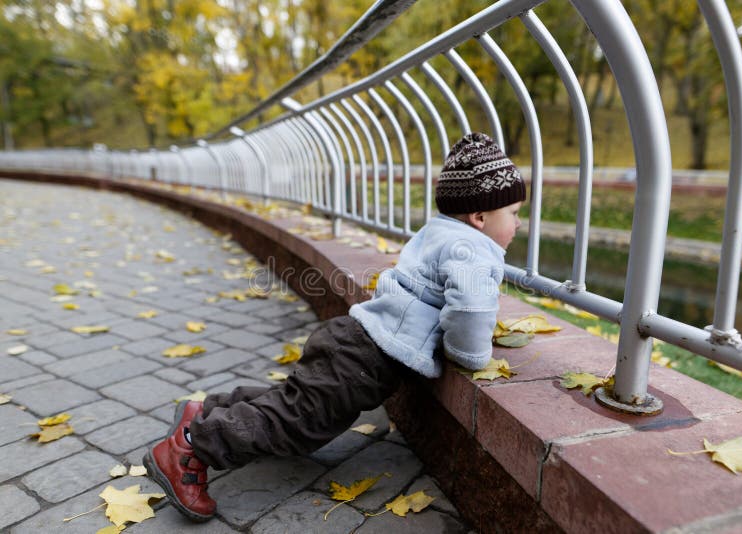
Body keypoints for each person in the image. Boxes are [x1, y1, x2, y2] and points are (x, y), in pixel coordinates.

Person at [143, 132, 525, 522]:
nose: (518, 223)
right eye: (513, 213)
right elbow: (471, 310)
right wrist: (472, 357)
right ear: (479, 217)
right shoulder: (475, 249)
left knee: (293, 402)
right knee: (298, 425)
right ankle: (192, 447)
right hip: (366, 360)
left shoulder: (439, 231)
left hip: (353, 337)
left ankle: (207, 410)